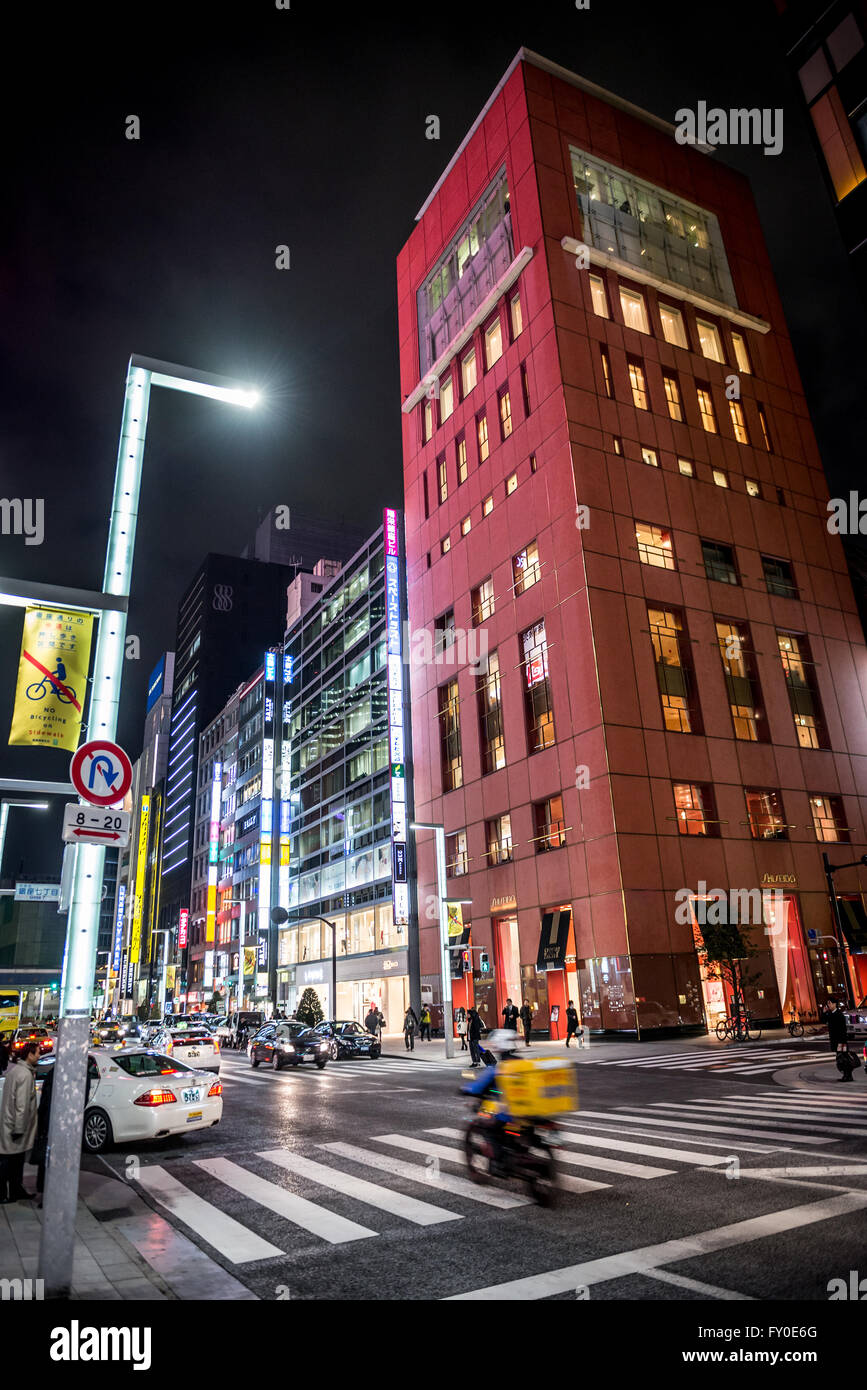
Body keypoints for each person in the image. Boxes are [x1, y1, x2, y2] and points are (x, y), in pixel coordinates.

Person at [461, 1028, 521, 1168]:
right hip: (528, 1112)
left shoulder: (499, 1068)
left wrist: (465, 1089)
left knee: (487, 1127)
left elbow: (478, 1087)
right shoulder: (524, 1064)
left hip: (509, 1114)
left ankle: (499, 1161)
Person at [0, 1042, 39, 1203]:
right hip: (15, 1126)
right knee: (11, 1162)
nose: (39, 1056)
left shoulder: (15, 1071)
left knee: (12, 1161)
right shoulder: (25, 1075)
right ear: (29, 1055)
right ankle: (8, 1192)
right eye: (37, 1053)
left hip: (8, 1122)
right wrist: (20, 1128)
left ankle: (14, 1190)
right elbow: (22, 1105)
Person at [828, 999, 855, 1082]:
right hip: (837, 1041)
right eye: (828, 1003)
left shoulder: (839, 1014)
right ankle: (846, 1075)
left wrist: (842, 1041)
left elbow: (842, 1029)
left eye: (830, 1003)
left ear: (835, 1004)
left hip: (841, 1041)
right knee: (841, 1057)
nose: (829, 1005)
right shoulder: (831, 1014)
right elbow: (824, 1020)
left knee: (843, 1058)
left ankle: (848, 1076)